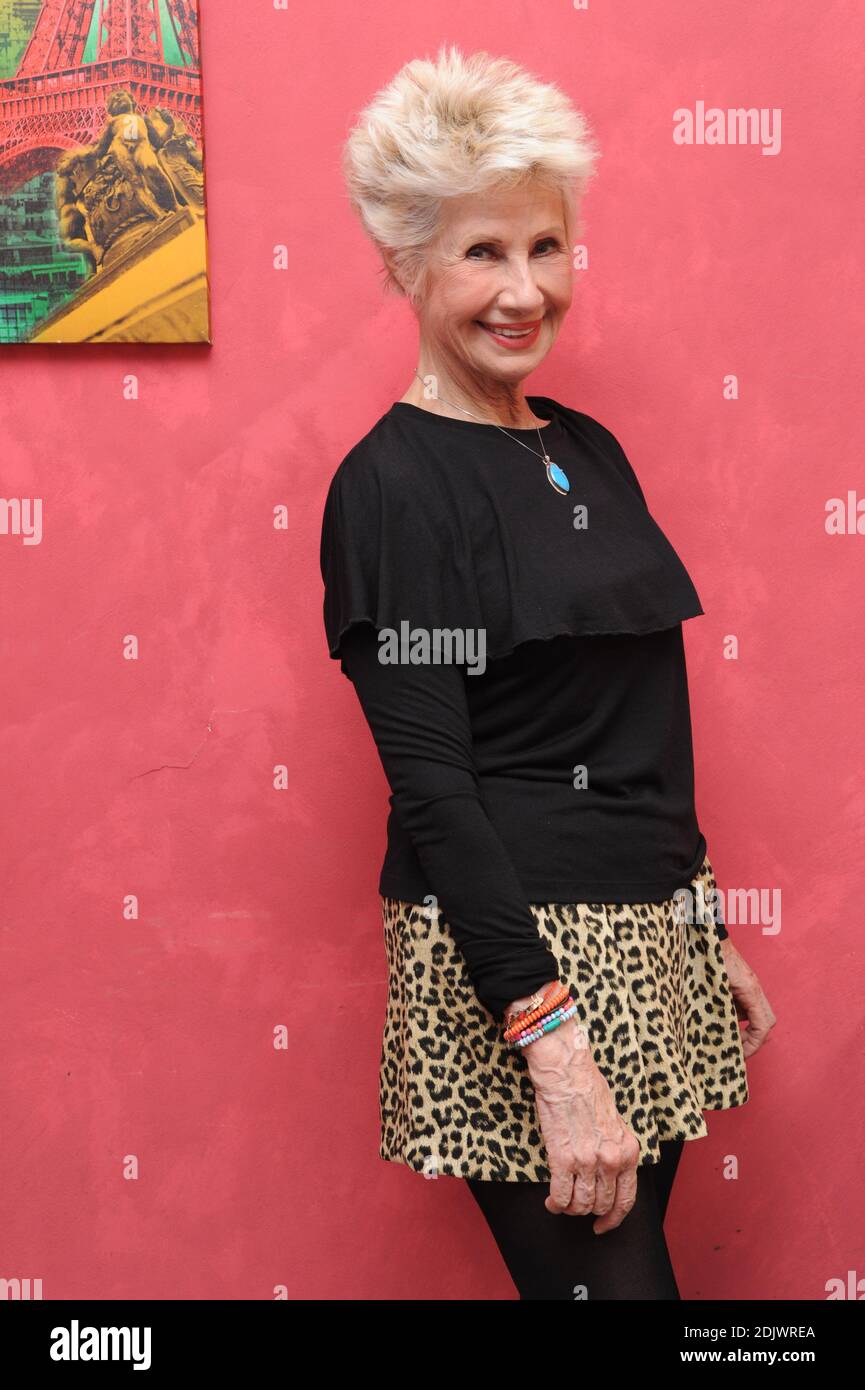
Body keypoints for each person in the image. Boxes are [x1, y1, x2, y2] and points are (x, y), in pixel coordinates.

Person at [319, 45, 776, 1300]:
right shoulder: (392, 486)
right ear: (407, 266)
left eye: (545, 247)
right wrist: (553, 1046)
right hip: (526, 967)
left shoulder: (587, 447)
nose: (524, 290)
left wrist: (698, 913)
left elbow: (637, 721)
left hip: (650, 941)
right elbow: (433, 789)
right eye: (480, 254)